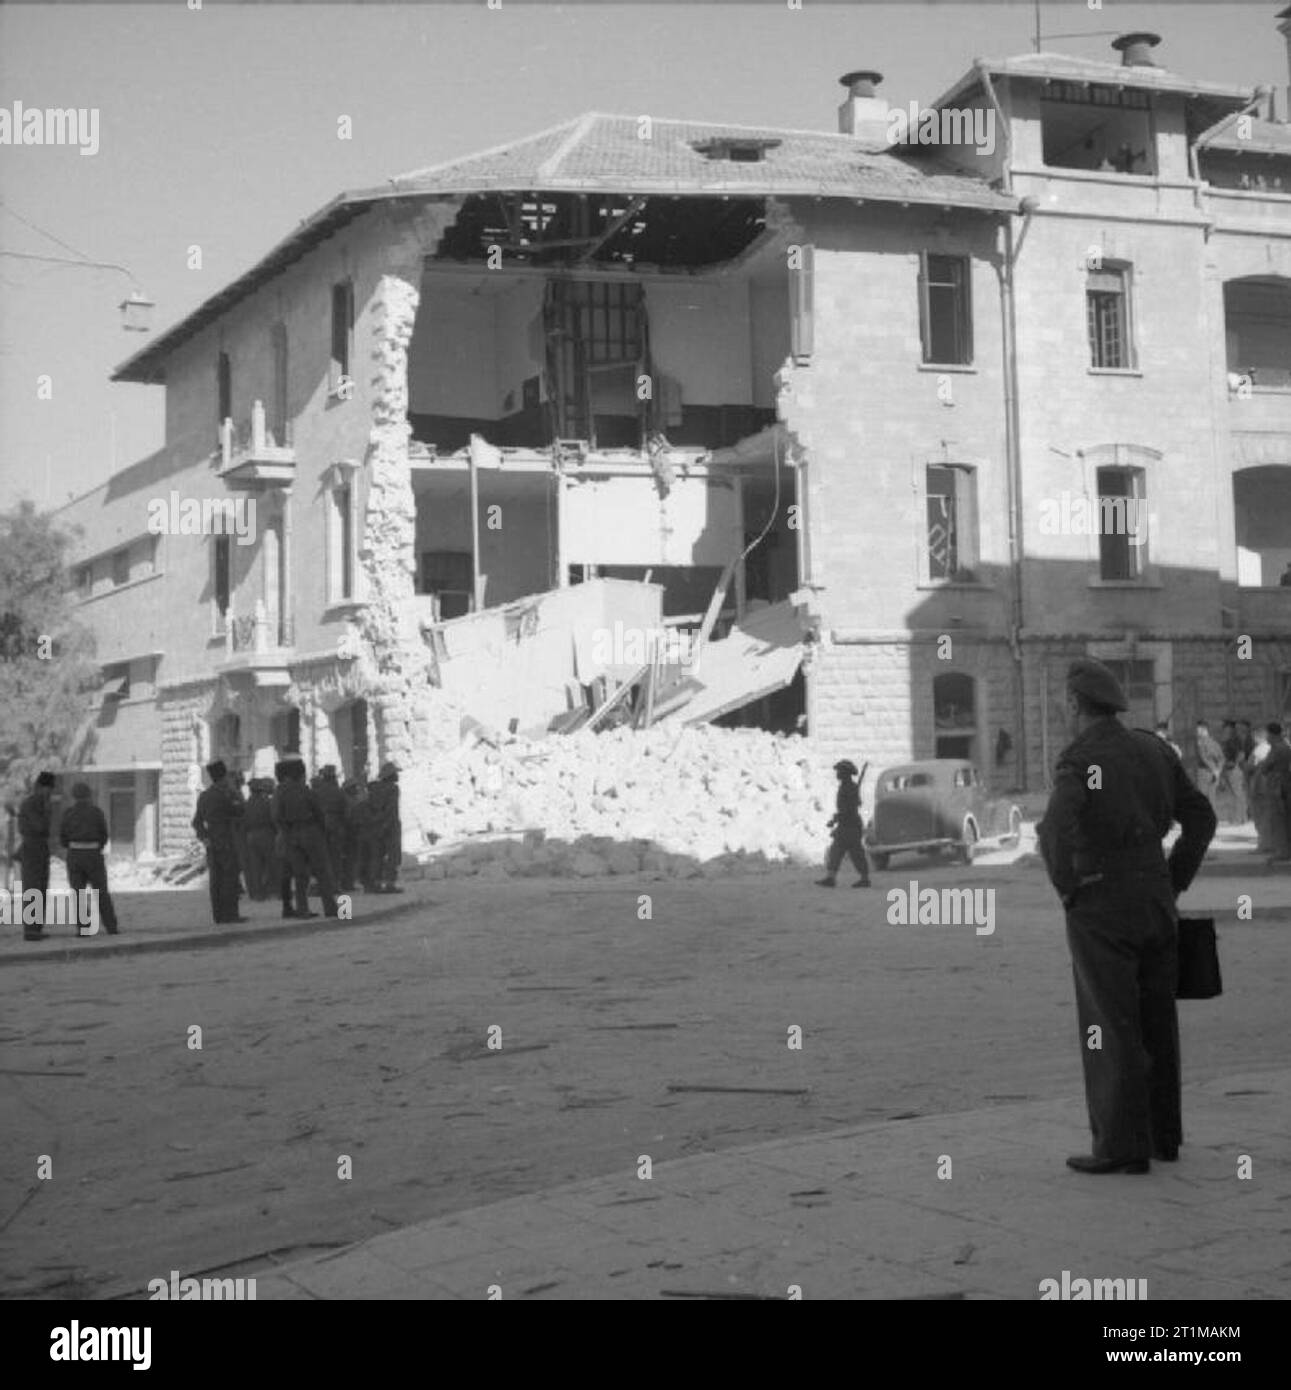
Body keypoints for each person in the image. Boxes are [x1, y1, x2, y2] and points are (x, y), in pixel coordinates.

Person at [1038, 658, 1215, 1175]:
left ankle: (1120, 1146)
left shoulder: (1082, 759)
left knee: (1109, 1024)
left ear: (1074, 703)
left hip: (1102, 905)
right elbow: (1201, 816)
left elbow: (1052, 831)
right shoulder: (1153, 750)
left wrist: (1070, 889)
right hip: (1157, 901)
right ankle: (1164, 1138)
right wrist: (1174, 878)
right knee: (1158, 1018)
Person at [273, 758, 338, 918]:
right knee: (323, 871)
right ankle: (332, 908)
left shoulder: (280, 793)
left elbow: (276, 816)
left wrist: (287, 832)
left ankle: (303, 909)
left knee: (300, 874)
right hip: (311, 832)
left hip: (291, 834)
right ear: (300, 774)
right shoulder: (305, 791)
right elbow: (319, 813)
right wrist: (323, 833)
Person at [59, 782, 120, 936]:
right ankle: (111, 927)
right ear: (89, 795)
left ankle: (84, 929)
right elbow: (104, 835)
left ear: (74, 796)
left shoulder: (68, 813)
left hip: (74, 854)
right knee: (101, 892)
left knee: (78, 893)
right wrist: (97, 846)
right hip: (93, 854)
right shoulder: (96, 812)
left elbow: (62, 838)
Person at [192, 760, 246, 925]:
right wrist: (237, 793)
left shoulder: (204, 796)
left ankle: (218, 916)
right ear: (223, 777)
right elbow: (240, 811)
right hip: (228, 839)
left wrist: (205, 837)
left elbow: (196, 822)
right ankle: (231, 915)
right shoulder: (226, 794)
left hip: (212, 843)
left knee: (216, 880)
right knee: (230, 878)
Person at [817, 759, 871, 888]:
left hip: (850, 825)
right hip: (847, 824)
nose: (837, 773)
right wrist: (837, 818)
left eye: (840, 771)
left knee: (854, 852)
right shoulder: (847, 787)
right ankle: (832, 877)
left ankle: (863, 878)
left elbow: (850, 808)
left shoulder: (849, 787)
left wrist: (836, 819)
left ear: (845, 773)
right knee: (837, 851)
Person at [16, 771, 57, 941]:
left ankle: (37, 928)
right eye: (48, 789)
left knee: (41, 887)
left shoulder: (40, 802)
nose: (50, 793)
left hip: (40, 848)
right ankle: (31, 930)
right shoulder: (32, 803)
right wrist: (47, 812)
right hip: (32, 848)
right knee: (33, 887)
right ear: (40, 787)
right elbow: (40, 827)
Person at [367, 763, 403, 894]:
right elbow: (391, 809)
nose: (397, 775)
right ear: (390, 775)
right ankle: (389, 884)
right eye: (395, 773)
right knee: (393, 855)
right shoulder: (393, 789)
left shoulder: (374, 788)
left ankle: (375, 883)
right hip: (390, 826)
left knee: (377, 855)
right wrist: (387, 824)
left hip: (375, 825)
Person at [314, 766, 349, 890]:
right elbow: (346, 812)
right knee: (335, 856)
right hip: (335, 825)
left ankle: (322, 884)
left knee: (321, 857)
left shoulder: (317, 791)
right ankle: (335, 884)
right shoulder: (339, 791)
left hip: (319, 827)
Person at [242, 778, 277, 900]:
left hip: (251, 836)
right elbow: (273, 819)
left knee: (255, 866)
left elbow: (244, 822)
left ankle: (258, 893)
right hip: (266, 834)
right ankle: (272, 890)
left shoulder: (246, 804)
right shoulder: (267, 802)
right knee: (271, 863)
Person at [1262, 722, 1291, 863]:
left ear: (1271, 734)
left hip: (1277, 787)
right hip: (1285, 786)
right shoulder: (1286, 747)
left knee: (1278, 820)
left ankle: (1282, 851)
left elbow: (1265, 767)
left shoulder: (1277, 749)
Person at [339, 778, 370, 893]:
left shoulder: (353, 799)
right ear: (349, 789)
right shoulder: (347, 800)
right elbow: (348, 817)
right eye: (353, 787)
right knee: (349, 859)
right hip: (350, 832)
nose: (356, 789)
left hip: (353, 831)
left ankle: (349, 882)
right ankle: (347, 883)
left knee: (352, 859)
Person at [1247, 725, 1272, 854]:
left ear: (1257, 737)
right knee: (1267, 816)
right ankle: (1268, 843)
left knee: (1259, 817)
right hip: (1269, 786)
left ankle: (1263, 845)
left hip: (1259, 786)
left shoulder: (1258, 750)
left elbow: (1250, 767)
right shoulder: (1270, 748)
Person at [1218, 719, 1247, 825]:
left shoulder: (1235, 740)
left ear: (1230, 728)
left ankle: (1238, 818)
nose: (1224, 729)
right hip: (1229, 768)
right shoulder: (1230, 739)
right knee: (1235, 793)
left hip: (1234, 769)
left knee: (1237, 793)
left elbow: (1241, 754)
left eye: (1226, 727)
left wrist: (1235, 764)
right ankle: (1241, 817)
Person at [1193, 720, 1224, 812]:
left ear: (1203, 729)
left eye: (1197, 730)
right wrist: (1218, 770)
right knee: (1212, 797)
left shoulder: (1201, 743)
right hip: (1214, 772)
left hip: (1204, 771)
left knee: (1203, 798)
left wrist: (1214, 769)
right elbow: (1221, 758)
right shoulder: (1214, 742)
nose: (1196, 732)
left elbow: (1204, 758)